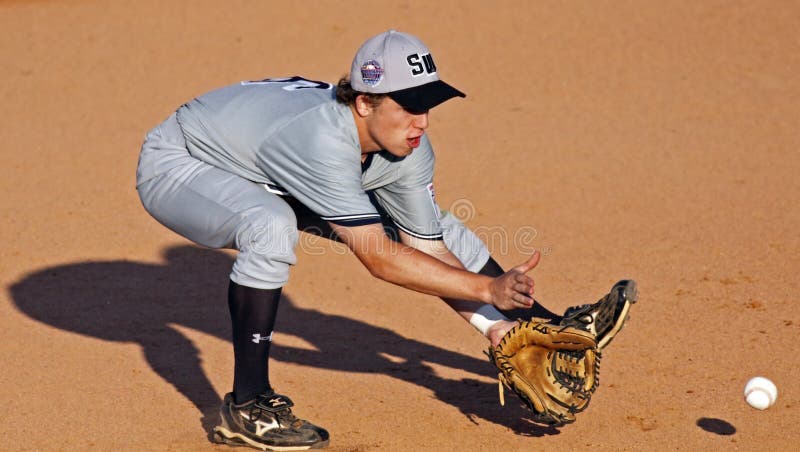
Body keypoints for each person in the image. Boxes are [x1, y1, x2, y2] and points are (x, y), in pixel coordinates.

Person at [136, 30, 633, 451]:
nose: (423, 122)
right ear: (365, 101)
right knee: (269, 226)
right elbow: (378, 258)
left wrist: (500, 327)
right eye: (411, 106)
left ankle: (547, 327)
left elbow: (427, 247)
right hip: (184, 166)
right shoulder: (321, 141)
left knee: (438, 227)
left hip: (265, 167)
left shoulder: (408, 146)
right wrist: (487, 291)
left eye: (430, 105)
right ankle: (247, 407)